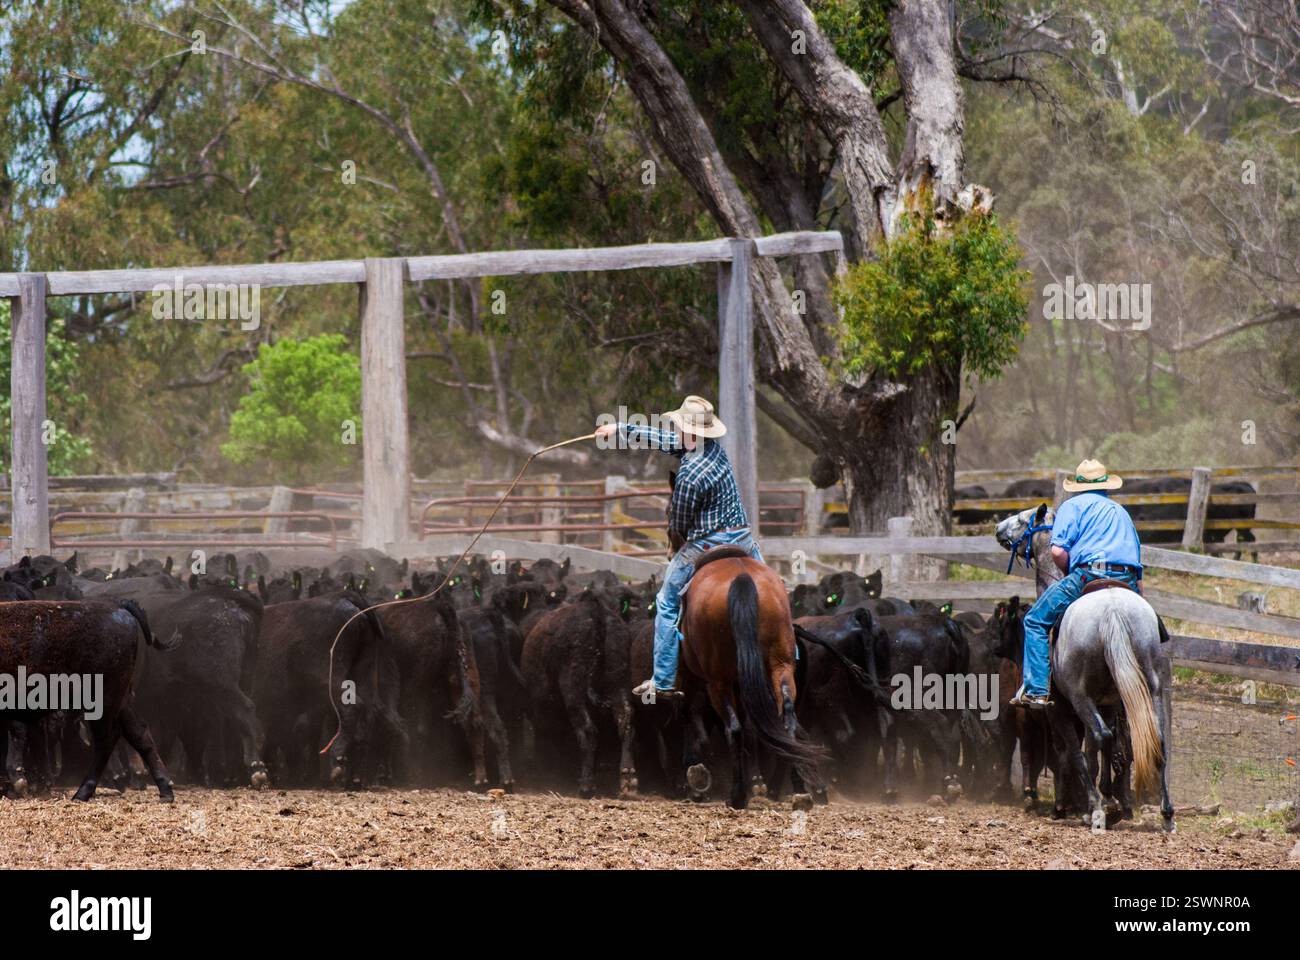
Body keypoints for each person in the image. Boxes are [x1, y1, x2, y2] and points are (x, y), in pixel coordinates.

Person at [594, 396, 762, 700]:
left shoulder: (689, 473)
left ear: (690, 430)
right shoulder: (713, 449)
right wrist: (618, 428)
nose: (676, 430)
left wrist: (681, 537)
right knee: (767, 584)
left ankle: (664, 679)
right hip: (742, 537)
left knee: (667, 600)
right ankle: (788, 649)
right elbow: (662, 439)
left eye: (680, 426)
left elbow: (681, 522)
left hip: (707, 542)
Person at [1010, 458, 1144, 708]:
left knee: (1035, 620)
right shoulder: (1120, 511)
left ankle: (1037, 690)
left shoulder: (1071, 508)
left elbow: (1059, 552)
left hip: (1089, 574)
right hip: (1127, 577)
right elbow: (1137, 561)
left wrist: (1069, 572)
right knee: (1154, 630)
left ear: (1078, 486)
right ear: (1105, 485)